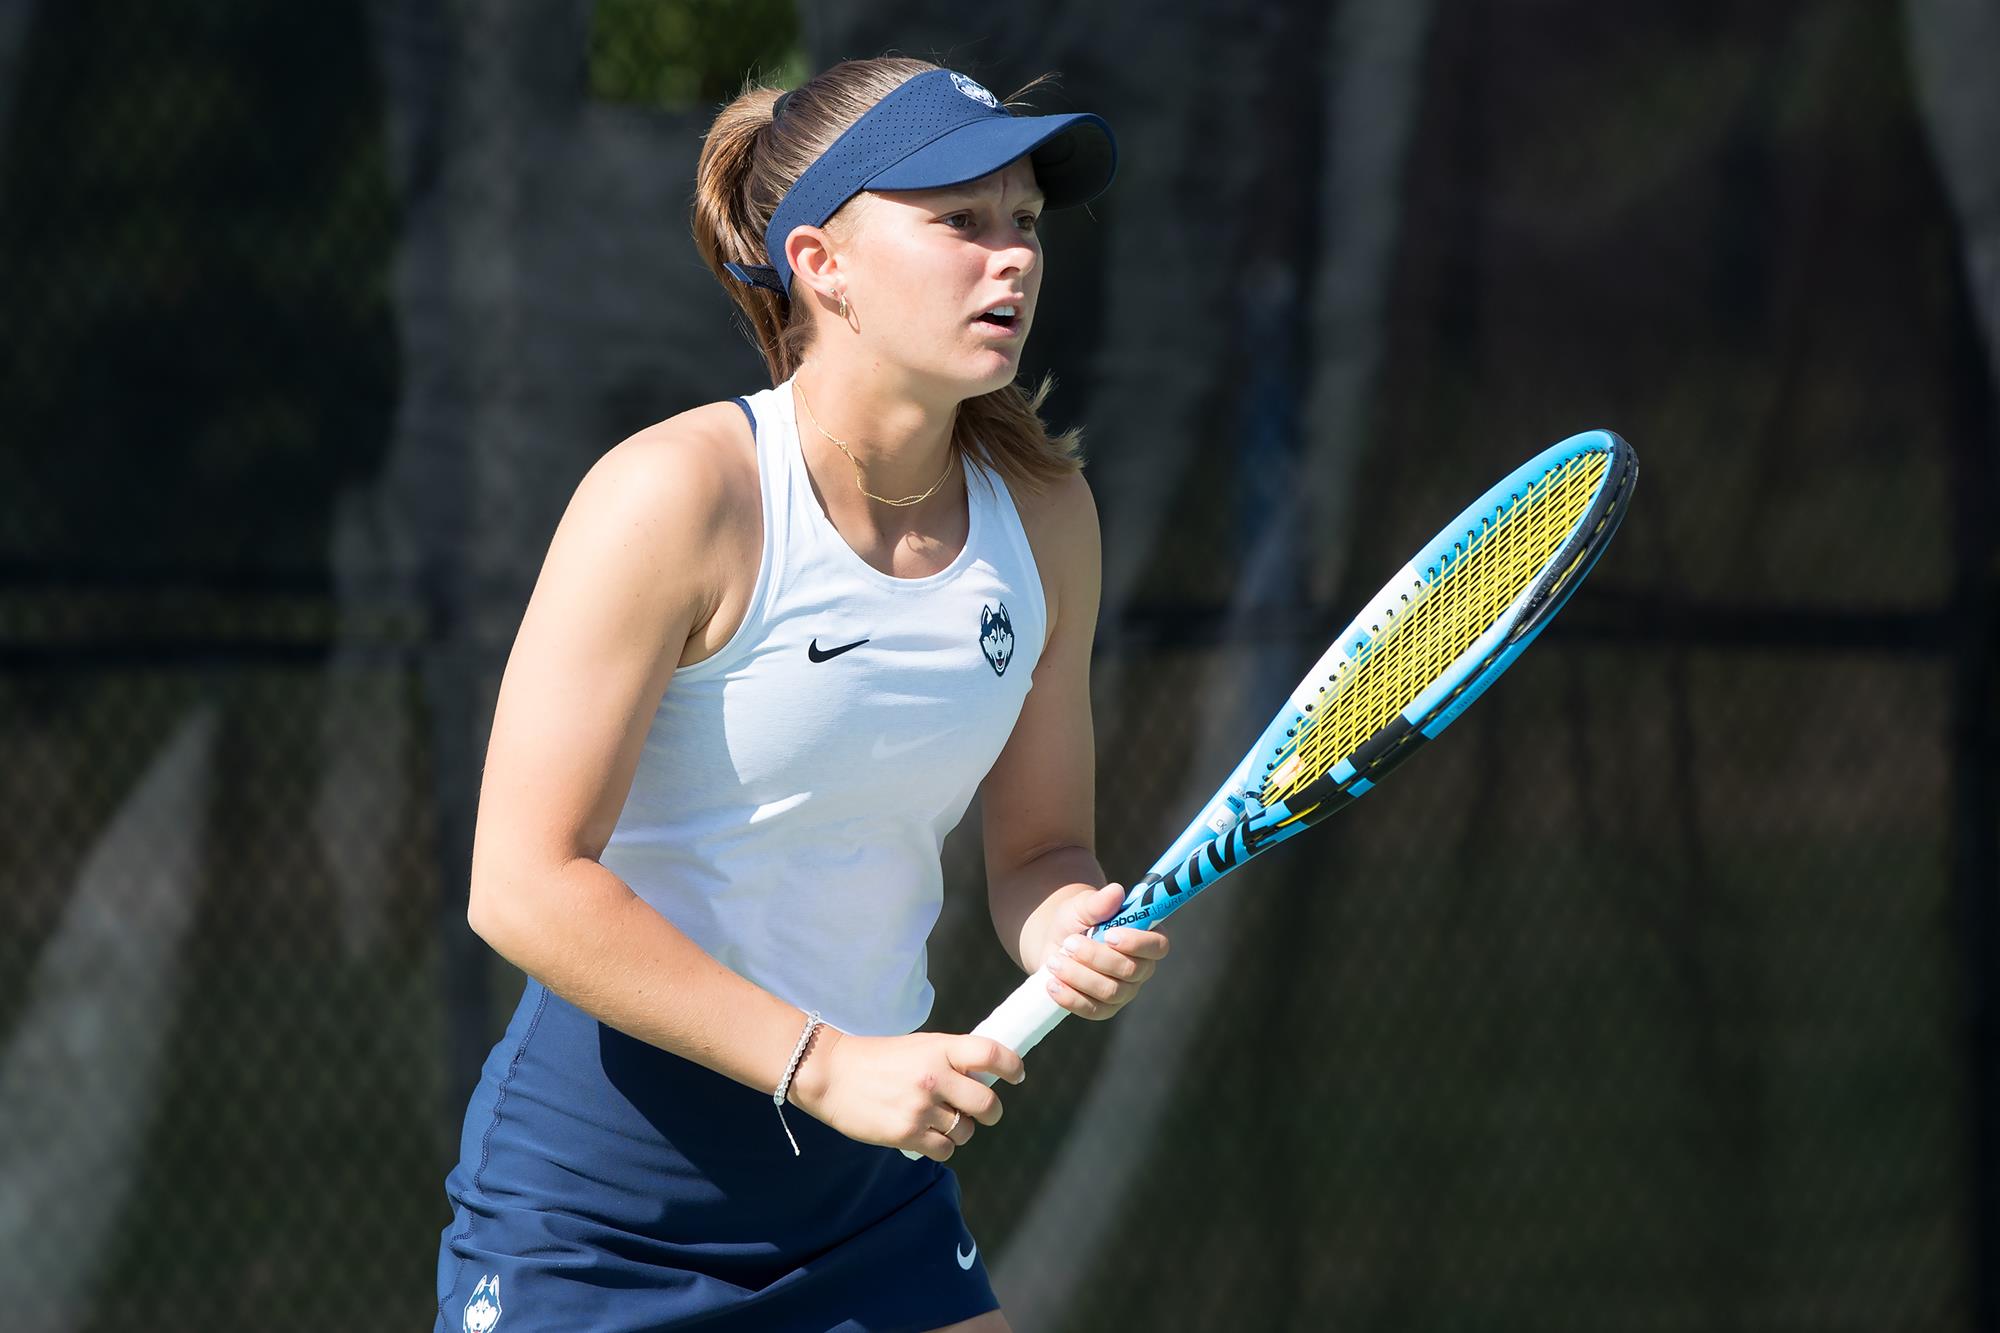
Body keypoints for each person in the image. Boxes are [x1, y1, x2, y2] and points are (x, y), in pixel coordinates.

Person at [432, 56, 1168, 1332]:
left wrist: (1061, 930)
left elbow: (1039, 846)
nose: (1013, 259)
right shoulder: (677, 494)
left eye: (1026, 222)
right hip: (601, 1210)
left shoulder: (1044, 517)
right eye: (959, 219)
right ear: (821, 263)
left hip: (864, 1190)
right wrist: (824, 1066)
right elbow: (520, 881)